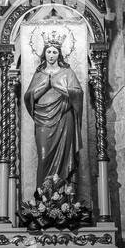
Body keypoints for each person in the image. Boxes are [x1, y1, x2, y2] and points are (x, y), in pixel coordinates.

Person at [23, 40, 83, 187]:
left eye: (54, 52)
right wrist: (45, 86)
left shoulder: (67, 72)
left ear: (59, 54)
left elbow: (78, 93)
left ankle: (63, 196)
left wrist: (57, 86)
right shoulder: (39, 74)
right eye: (48, 51)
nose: (51, 55)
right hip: (43, 120)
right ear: (44, 53)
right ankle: (41, 197)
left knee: (63, 160)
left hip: (64, 117)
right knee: (43, 158)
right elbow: (28, 96)